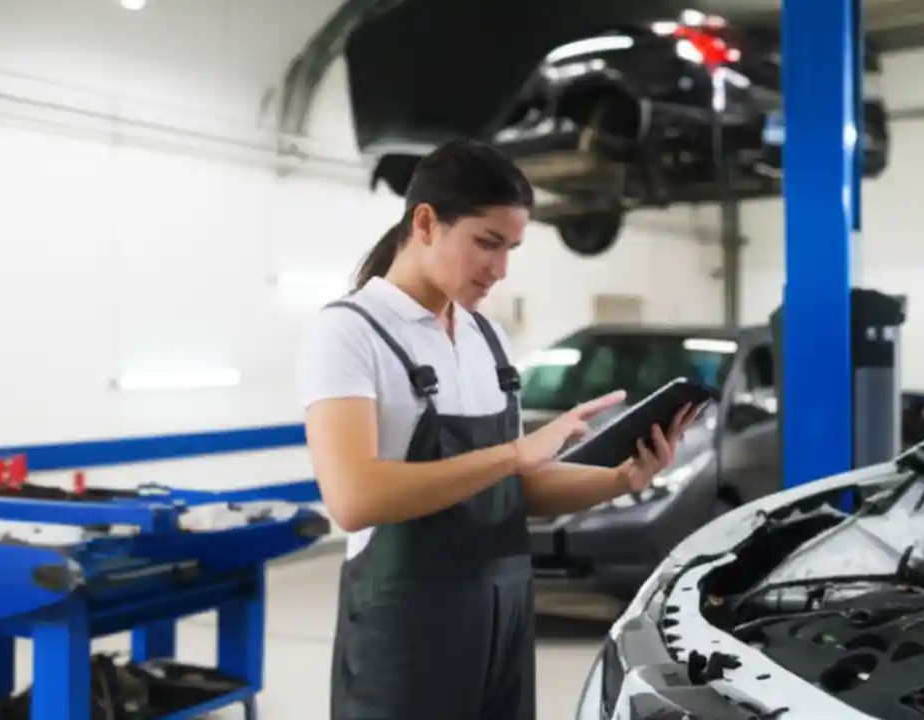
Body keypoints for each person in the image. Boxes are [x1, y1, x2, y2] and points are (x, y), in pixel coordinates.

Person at [296, 140, 703, 720]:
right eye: (486, 242)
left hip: (503, 616)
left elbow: (514, 492)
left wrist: (621, 479)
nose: (500, 269)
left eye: (510, 248)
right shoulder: (351, 333)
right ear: (426, 222)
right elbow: (354, 499)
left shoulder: (485, 339)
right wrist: (514, 453)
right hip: (404, 630)